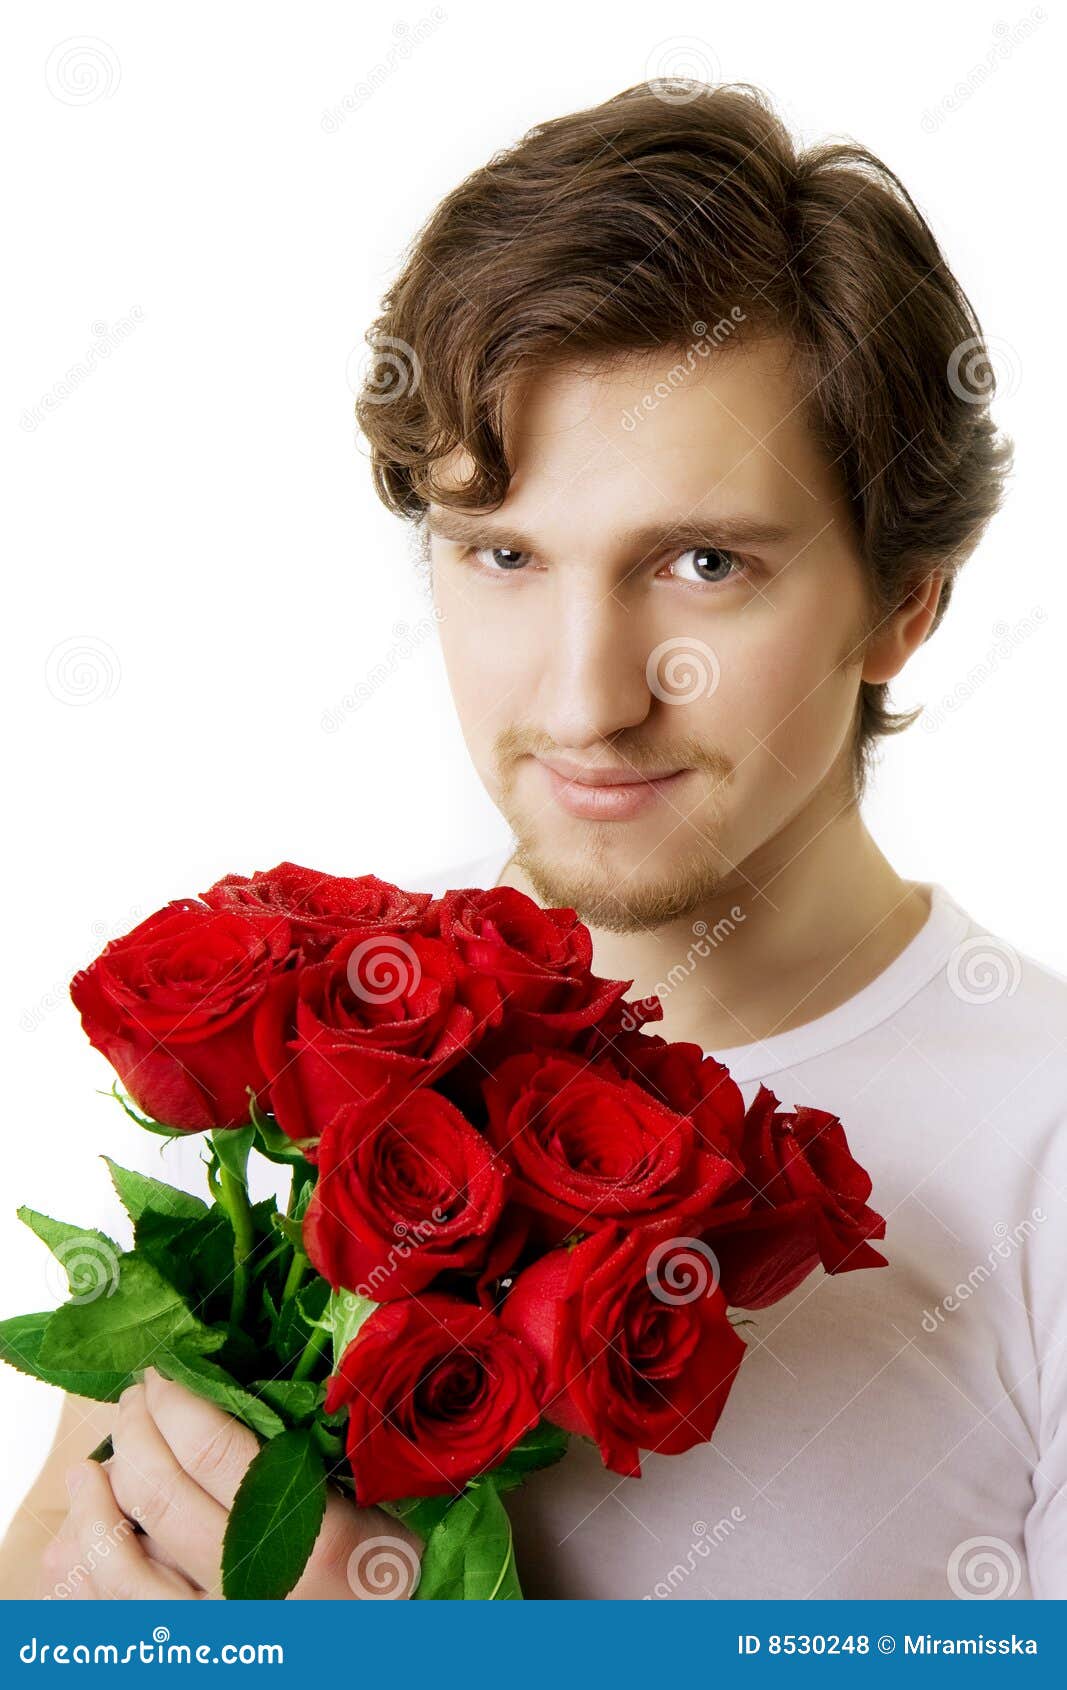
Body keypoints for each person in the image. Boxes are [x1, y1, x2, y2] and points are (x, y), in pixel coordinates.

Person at [4, 78, 1064, 1601]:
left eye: (703, 563)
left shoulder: (1042, 1141)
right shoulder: (301, 1053)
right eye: (503, 553)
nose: (584, 695)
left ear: (908, 598)